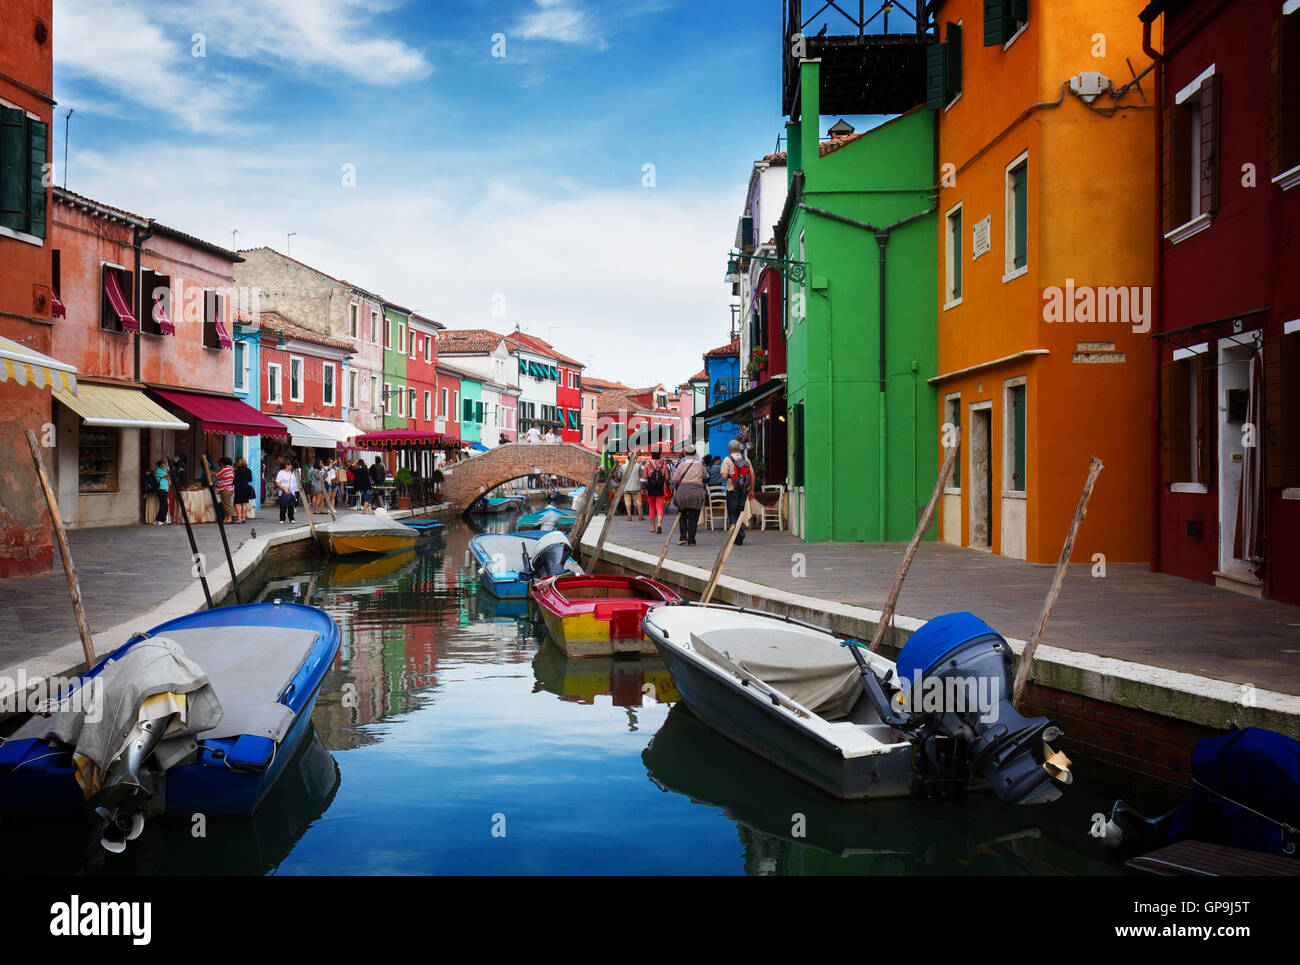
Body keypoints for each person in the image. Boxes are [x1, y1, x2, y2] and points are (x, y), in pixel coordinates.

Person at [671, 444, 707, 546]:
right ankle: (691, 540)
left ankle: (683, 537)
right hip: (696, 492)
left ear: (685, 453)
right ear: (695, 452)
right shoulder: (700, 464)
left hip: (683, 492)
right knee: (694, 516)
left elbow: (675, 479)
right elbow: (705, 475)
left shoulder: (681, 464)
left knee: (682, 515)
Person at [720, 439, 755, 546]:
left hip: (732, 490)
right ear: (739, 449)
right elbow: (752, 475)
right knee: (739, 513)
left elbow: (724, 476)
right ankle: (737, 538)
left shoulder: (727, 459)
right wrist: (752, 490)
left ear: (729, 449)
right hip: (744, 490)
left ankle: (740, 533)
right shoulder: (746, 459)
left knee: (732, 513)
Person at [642, 451, 669, 534]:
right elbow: (667, 477)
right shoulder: (663, 464)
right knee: (659, 507)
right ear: (659, 454)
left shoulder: (648, 464)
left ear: (652, 454)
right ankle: (659, 524)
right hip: (661, 487)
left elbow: (645, 476)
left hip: (651, 487)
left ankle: (653, 527)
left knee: (652, 507)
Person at [622, 457, 645, 523]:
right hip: (636, 487)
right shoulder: (638, 466)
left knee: (627, 502)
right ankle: (640, 516)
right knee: (638, 502)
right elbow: (641, 474)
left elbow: (619, 476)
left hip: (626, 487)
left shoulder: (623, 466)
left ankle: (629, 516)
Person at [233, 456, 254, 523]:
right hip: (246, 487)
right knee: (244, 503)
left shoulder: (237, 470)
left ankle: (239, 518)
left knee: (236, 503)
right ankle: (243, 518)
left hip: (239, 487)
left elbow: (235, 480)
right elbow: (250, 480)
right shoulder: (248, 470)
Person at [215, 456, 236, 523]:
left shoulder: (225, 469)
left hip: (225, 489)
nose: (220, 466)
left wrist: (210, 472)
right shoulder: (231, 469)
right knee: (226, 504)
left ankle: (229, 518)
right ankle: (227, 518)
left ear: (223, 463)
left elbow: (217, 476)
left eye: (220, 464)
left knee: (227, 505)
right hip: (229, 488)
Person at [275, 459, 297, 523]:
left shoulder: (291, 473)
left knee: (291, 506)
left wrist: (293, 493)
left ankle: (291, 518)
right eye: (290, 465)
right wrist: (284, 489)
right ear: (287, 465)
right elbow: (277, 482)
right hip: (283, 492)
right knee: (283, 506)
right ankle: (282, 519)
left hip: (290, 491)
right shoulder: (281, 472)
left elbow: (292, 483)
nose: (291, 466)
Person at [150, 460, 170, 525]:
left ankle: (163, 519)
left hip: (165, 489)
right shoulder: (158, 470)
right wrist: (166, 468)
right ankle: (158, 520)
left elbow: (168, 470)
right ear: (160, 465)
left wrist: (167, 463)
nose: (164, 465)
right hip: (161, 489)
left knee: (165, 505)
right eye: (163, 464)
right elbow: (167, 475)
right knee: (163, 505)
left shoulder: (163, 470)